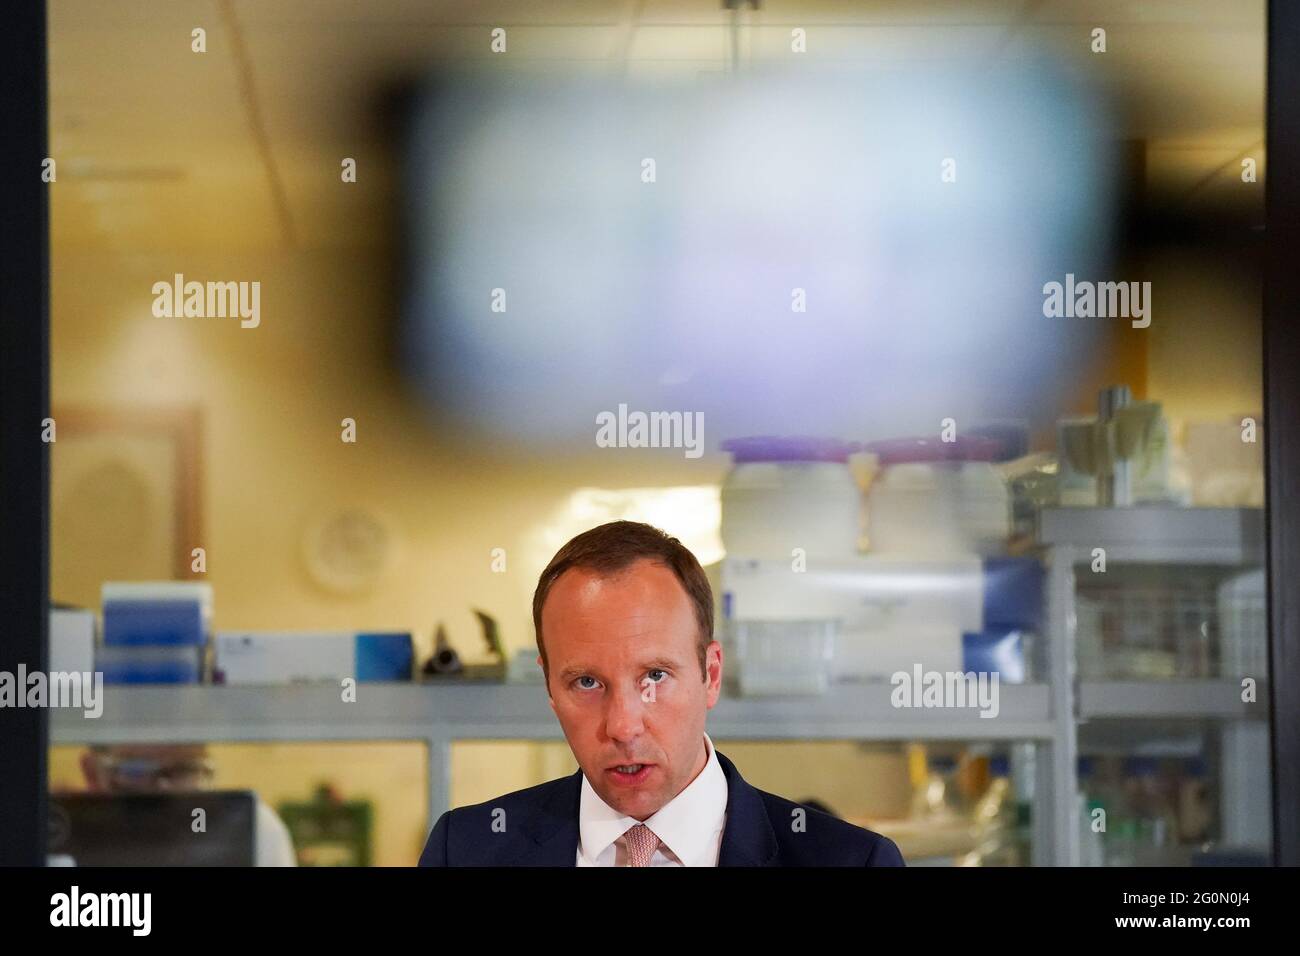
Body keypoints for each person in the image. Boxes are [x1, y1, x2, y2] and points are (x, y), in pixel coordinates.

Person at [419, 520, 904, 867]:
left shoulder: (853, 860)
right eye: (586, 682)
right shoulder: (463, 850)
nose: (623, 726)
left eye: (653, 676)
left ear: (710, 674)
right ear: (548, 686)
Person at [80, 743, 297, 867]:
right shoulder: (65, 831)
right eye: (135, 770)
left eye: (183, 770)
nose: (163, 790)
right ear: (92, 772)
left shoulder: (251, 828)